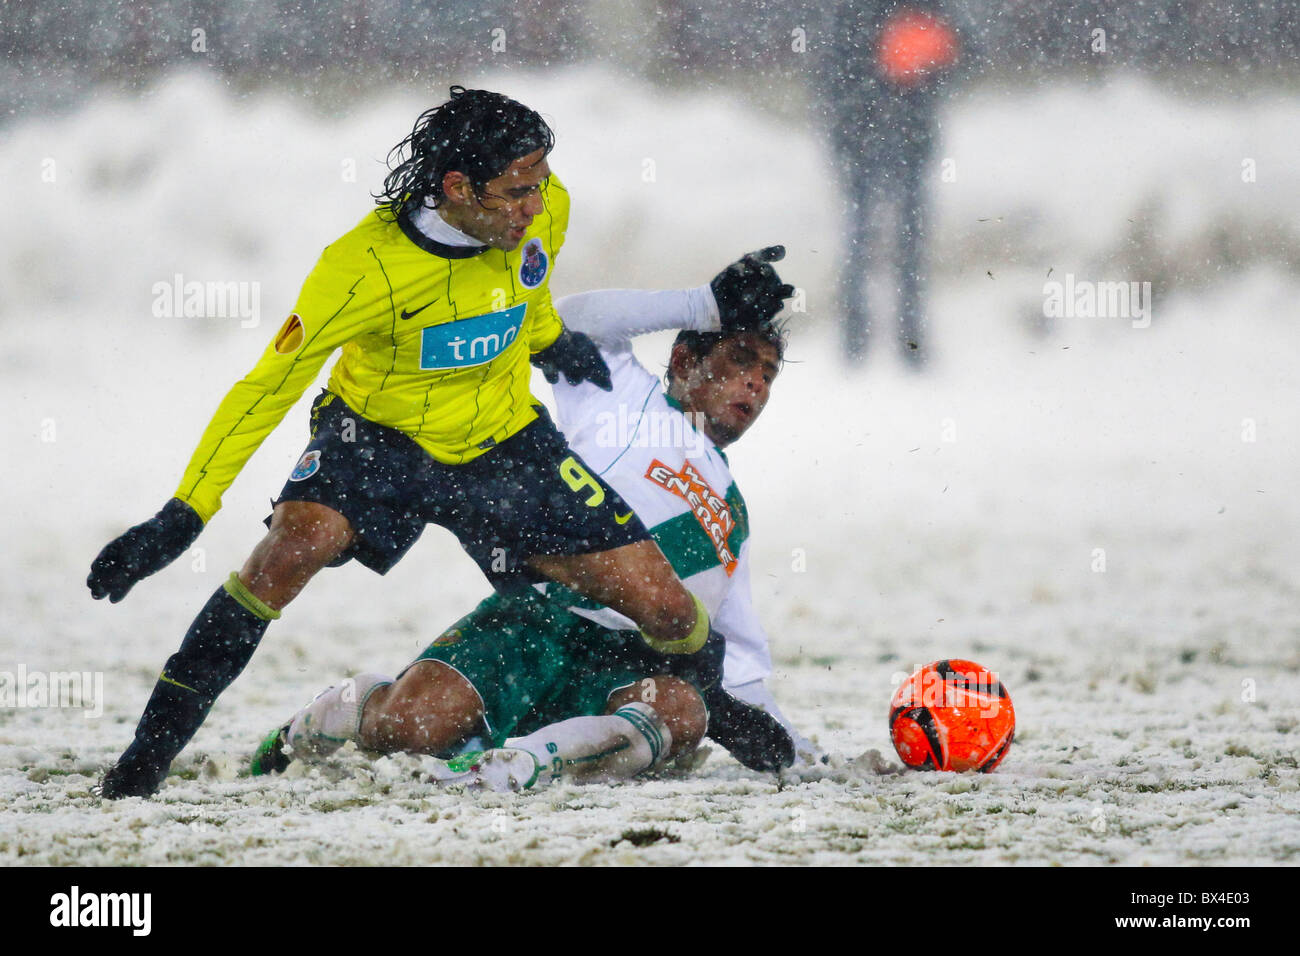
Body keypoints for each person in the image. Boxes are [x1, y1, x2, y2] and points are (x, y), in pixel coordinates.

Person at [87, 86, 793, 799]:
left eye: (540, 183)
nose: (535, 205)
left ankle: (716, 709)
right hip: (379, 441)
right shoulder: (361, 267)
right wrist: (186, 511)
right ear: (457, 187)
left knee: (669, 609)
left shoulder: (544, 209)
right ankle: (144, 762)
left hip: (504, 440)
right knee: (287, 555)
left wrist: (548, 340)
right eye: (517, 191)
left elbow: (528, 291)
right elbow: (267, 387)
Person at [251, 285, 823, 792]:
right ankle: (332, 714)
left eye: (769, 374)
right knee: (412, 729)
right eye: (741, 360)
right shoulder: (621, 393)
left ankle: (518, 764)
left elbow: (739, 647)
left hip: (633, 661)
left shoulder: (734, 511)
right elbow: (573, 315)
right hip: (540, 616)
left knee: (681, 711)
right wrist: (703, 303)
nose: (756, 382)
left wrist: (793, 752)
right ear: (683, 359)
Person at [815, 1, 959, 365]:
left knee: (903, 244)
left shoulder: (921, 9)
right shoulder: (852, 14)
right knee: (863, 242)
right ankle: (859, 340)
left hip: (904, 142)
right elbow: (831, 74)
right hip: (866, 143)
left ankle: (906, 339)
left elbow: (962, 51)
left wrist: (927, 48)